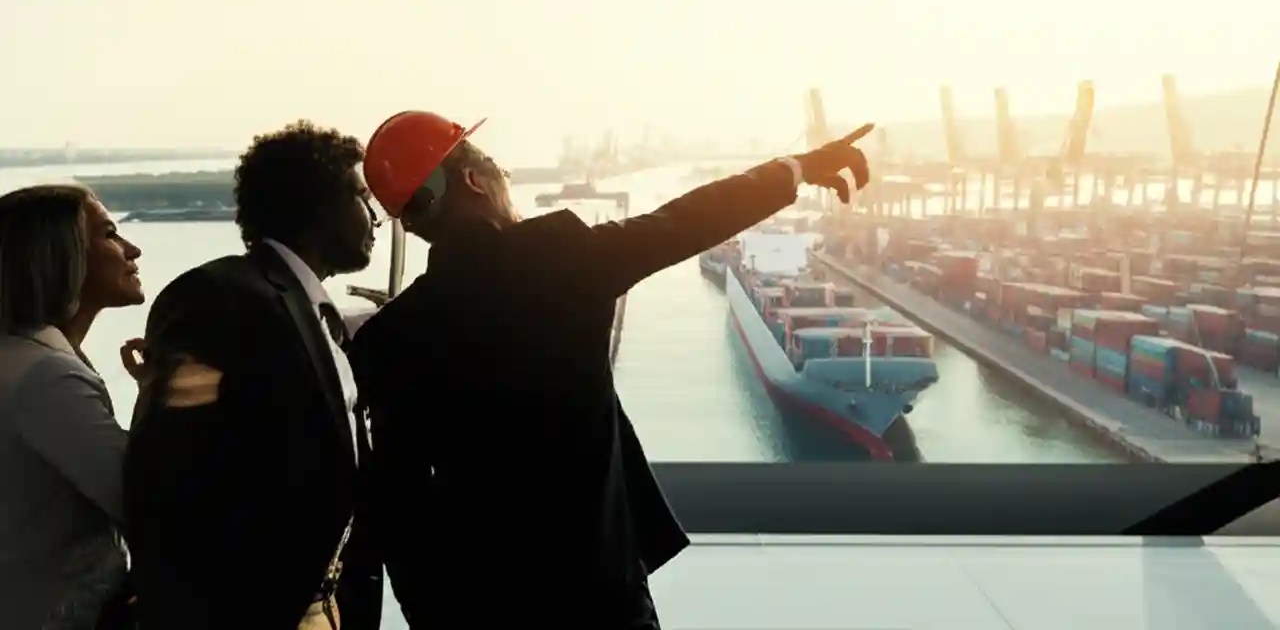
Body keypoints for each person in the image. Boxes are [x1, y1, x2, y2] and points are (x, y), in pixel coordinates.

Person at [347, 110, 873, 628]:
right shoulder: (562, 258)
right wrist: (795, 169)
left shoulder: (390, 338)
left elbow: (397, 509)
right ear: (473, 180)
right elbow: (684, 221)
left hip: (487, 609)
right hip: (603, 596)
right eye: (500, 172)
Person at [123, 121, 384, 630]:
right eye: (361, 196)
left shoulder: (314, 314)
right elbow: (164, 480)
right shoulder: (217, 296)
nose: (374, 216)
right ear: (318, 205)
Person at [0, 184, 144, 629]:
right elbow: (143, 500)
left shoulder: (24, 359)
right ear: (61, 257)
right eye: (110, 234)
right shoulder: (46, 377)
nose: (132, 249)